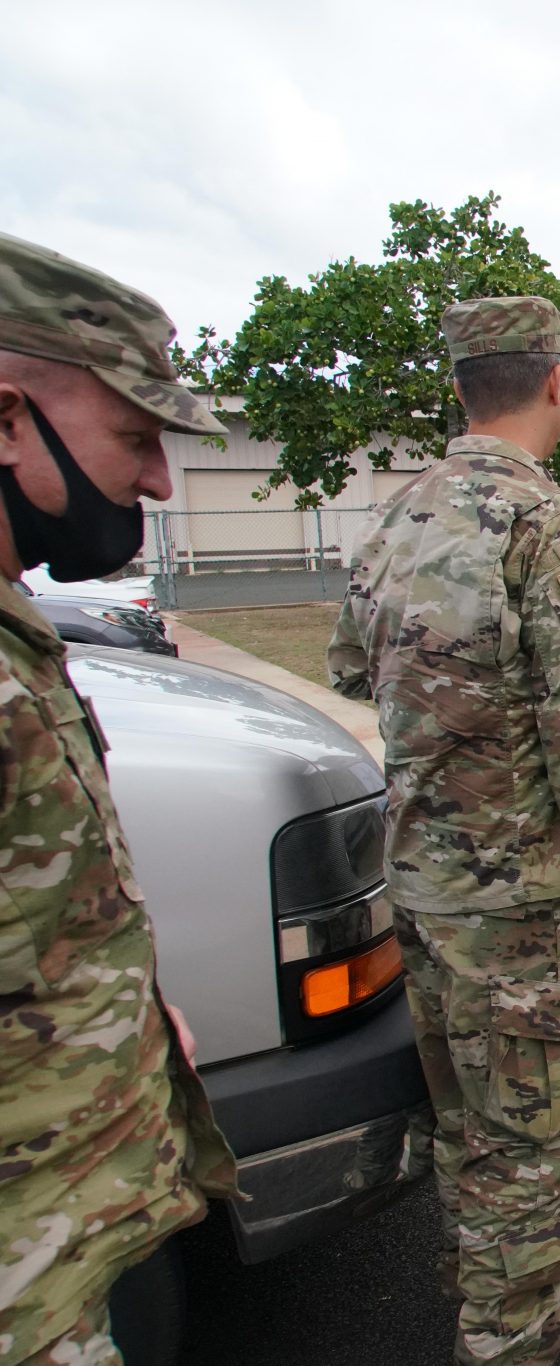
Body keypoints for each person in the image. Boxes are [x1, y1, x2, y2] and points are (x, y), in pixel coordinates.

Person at [329, 296, 560, 1362]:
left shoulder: (395, 517)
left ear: (461, 389)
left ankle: (487, 1299)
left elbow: (351, 668)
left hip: (424, 890)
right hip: (528, 912)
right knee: (539, 1150)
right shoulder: (551, 521)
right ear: (555, 381)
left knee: (466, 1129)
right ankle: (508, 1332)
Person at [0, 233, 239, 1363]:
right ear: (7, 419)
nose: (154, 481)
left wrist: (126, 1023)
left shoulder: (21, 623)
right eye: (135, 438)